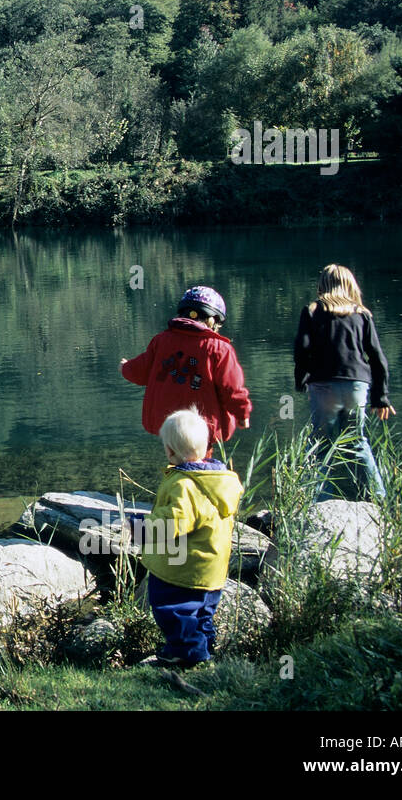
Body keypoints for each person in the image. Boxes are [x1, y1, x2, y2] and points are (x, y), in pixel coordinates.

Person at [135, 407, 244, 667]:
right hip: (212, 570)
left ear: (170, 451)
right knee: (202, 613)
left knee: (173, 610)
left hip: (182, 569)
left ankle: (187, 655)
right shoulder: (220, 479)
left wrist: (141, 527)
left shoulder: (185, 485)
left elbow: (173, 522)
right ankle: (204, 647)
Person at [294, 264, 395, 501]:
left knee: (321, 444)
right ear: (351, 285)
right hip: (357, 385)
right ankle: (378, 497)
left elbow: (302, 350)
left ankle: (321, 500)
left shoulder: (312, 311)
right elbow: (378, 358)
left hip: (323, 384)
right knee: (358, 442)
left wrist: (302, 379)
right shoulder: (362, 314)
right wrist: (381, 397)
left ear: (322, 286)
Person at [120, 285, 252, 457]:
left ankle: (176, 483)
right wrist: (242, 413)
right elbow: (231, 387)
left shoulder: (161, 341)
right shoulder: (219, 349)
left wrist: (125, 367)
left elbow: (141, 370)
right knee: (200, 462)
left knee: (175, 461)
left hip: (169, 425)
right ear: (212, 320)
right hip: (202, 426)